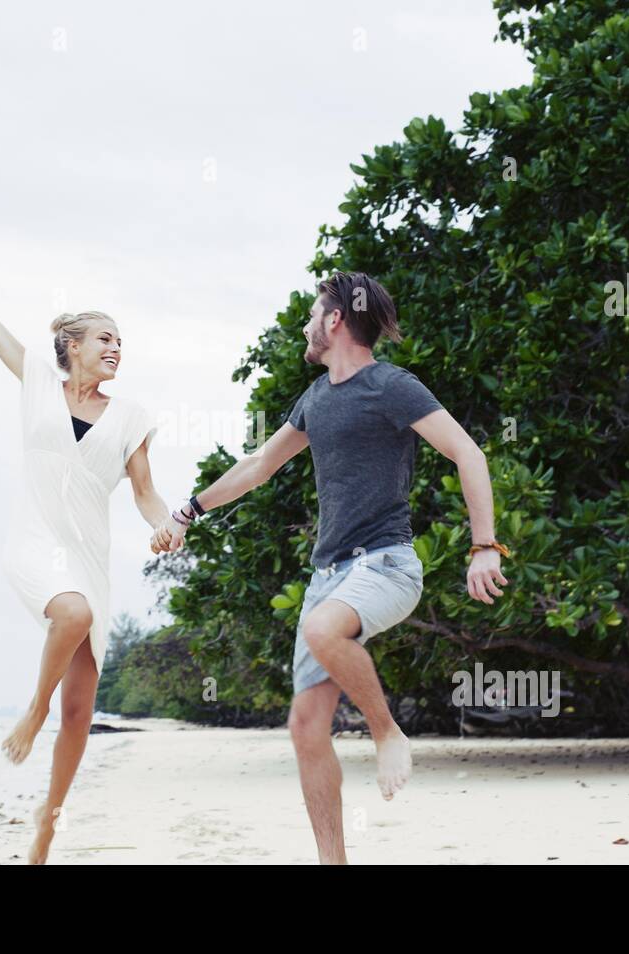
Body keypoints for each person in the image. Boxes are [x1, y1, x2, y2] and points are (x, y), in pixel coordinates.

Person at [151, 271, 509, 864]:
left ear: (337, 319)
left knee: (321, 628)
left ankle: (387, 732)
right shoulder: (316, 399)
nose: (305, 324)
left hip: (387, 567)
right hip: (328, 577)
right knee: (305, 727)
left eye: (313, 313)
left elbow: (467, 450)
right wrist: (190, 510)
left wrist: (484, 544)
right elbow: (260, 464)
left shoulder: (392, 387)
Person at [0, 226, 171, 864]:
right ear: (72, 347)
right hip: (33, 542)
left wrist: (164, 523)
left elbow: (144, 492)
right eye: (104, 338)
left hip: (90, 557)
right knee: (70, 615)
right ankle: (32, 708)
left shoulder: (132, 415)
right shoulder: (34, 382)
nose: (115, 348)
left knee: (80, 712)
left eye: (120, 341)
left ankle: (46, 828)